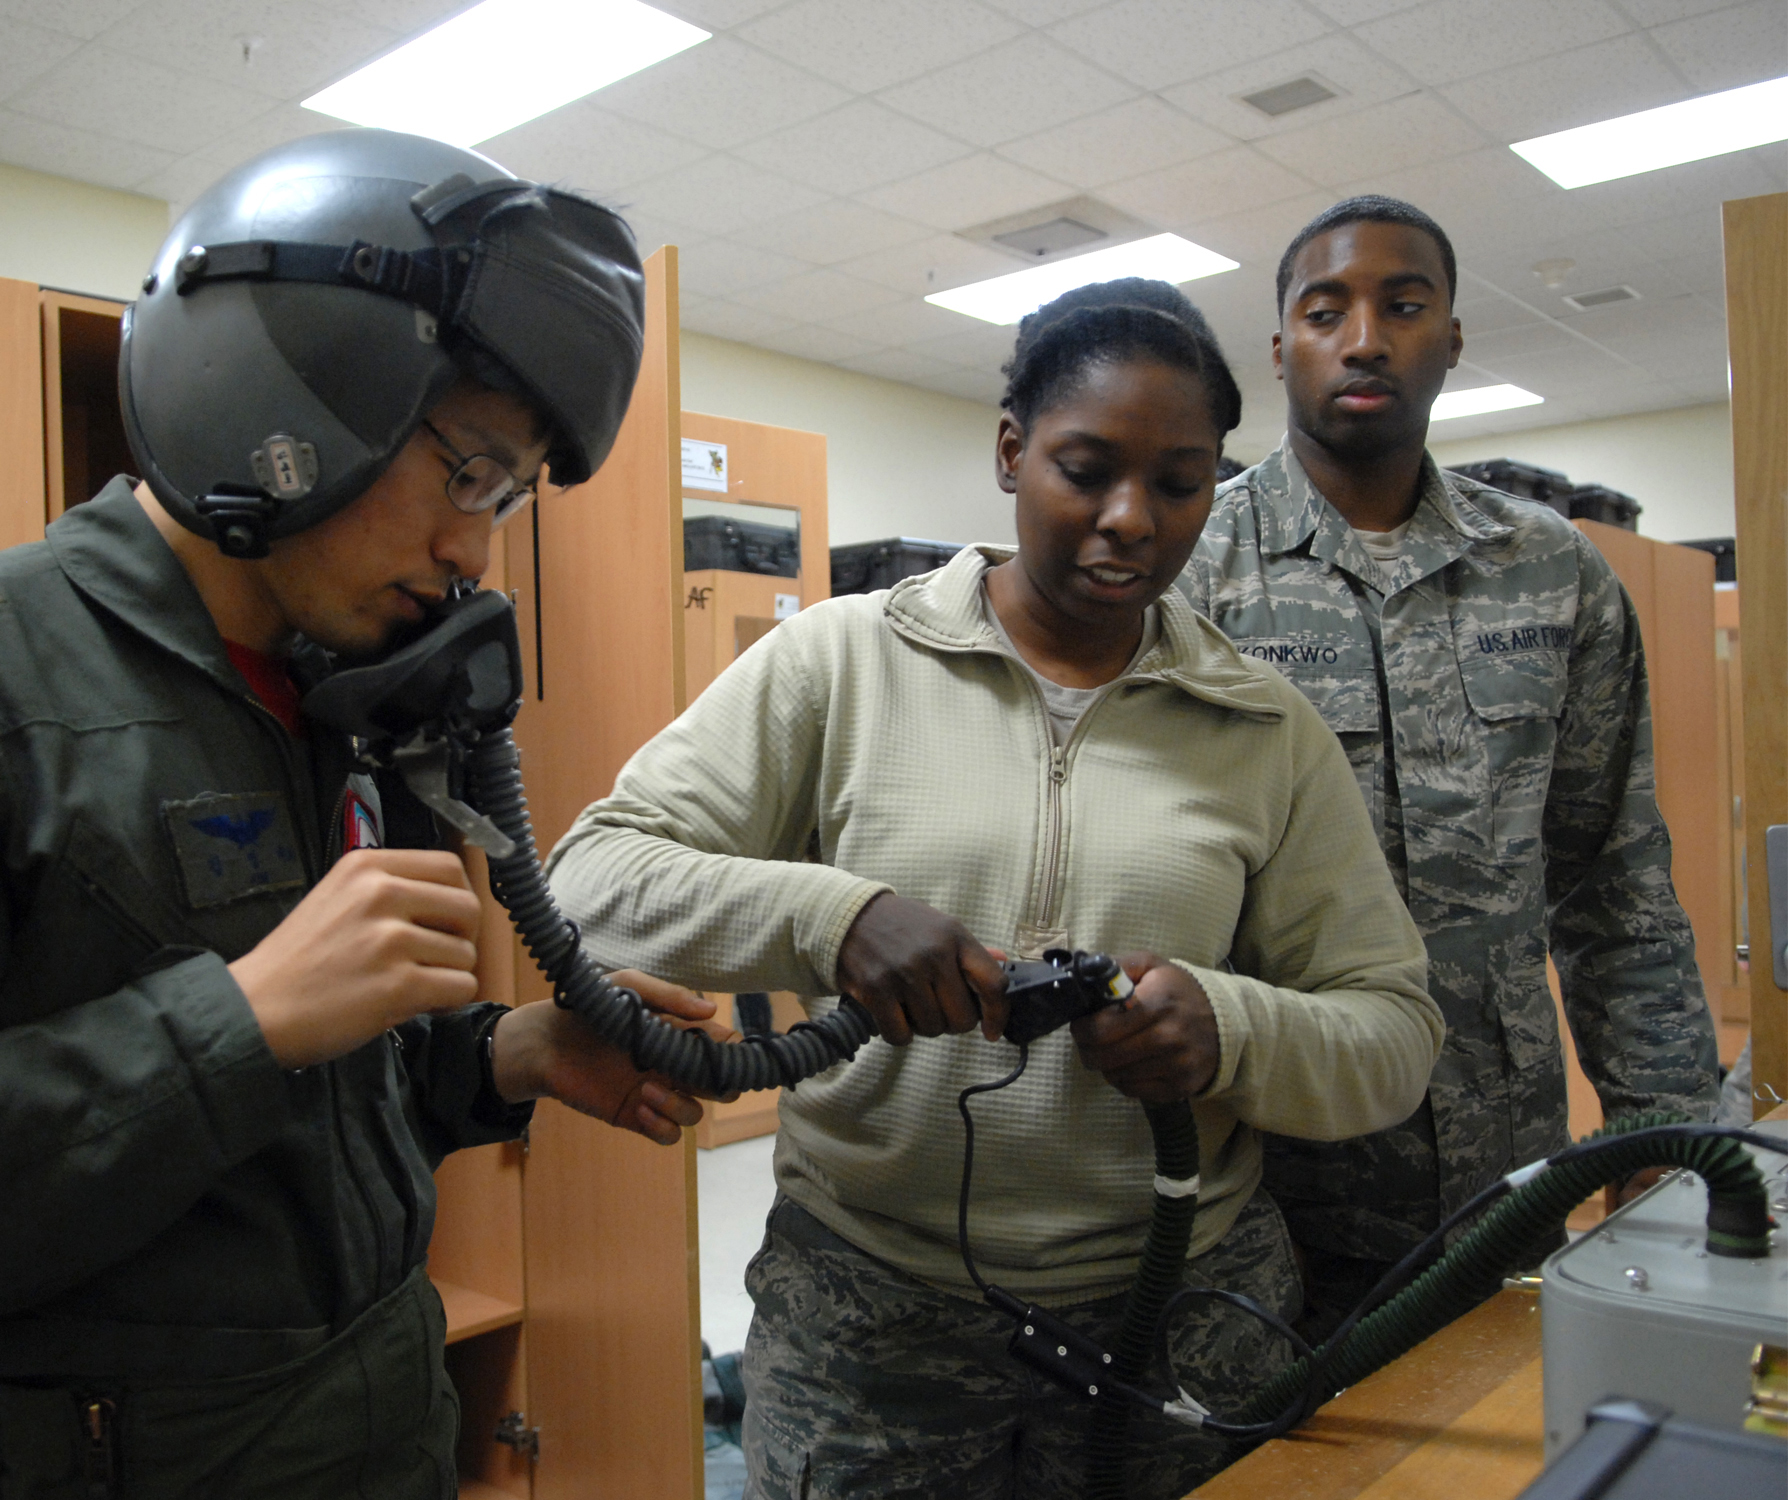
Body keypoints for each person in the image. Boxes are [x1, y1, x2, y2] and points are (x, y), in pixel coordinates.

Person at [0, 129, 718, 1500]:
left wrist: (506, 1057)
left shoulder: (339, 699)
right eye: (465, 472)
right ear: (294, 403)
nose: (476, 553)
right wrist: (231, 1023)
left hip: (385, 1438)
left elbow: (300, 1107)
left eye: (509, 497)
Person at [548, 278, 1443, 1500]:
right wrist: (835, 920)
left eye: (1180, 483)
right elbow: (593, 878)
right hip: (869, 1326)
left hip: (1176, 1314)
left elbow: (1393, 1033)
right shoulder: (840, 659)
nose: (1132, 518)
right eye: (1087, 468)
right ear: (1013, 451)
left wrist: (1229, 1029)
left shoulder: (1261, 726)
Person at [1177, 196, 1721, 1338]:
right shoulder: (1195, 578)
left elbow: (1613, 881)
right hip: (1269, 1179)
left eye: (1404, 305)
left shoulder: (1551, 572)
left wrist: (1665, 1135)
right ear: (1281, 349)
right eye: (1325, 312)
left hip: (1506, 1170)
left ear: (1454, 337)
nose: (1365, 337)